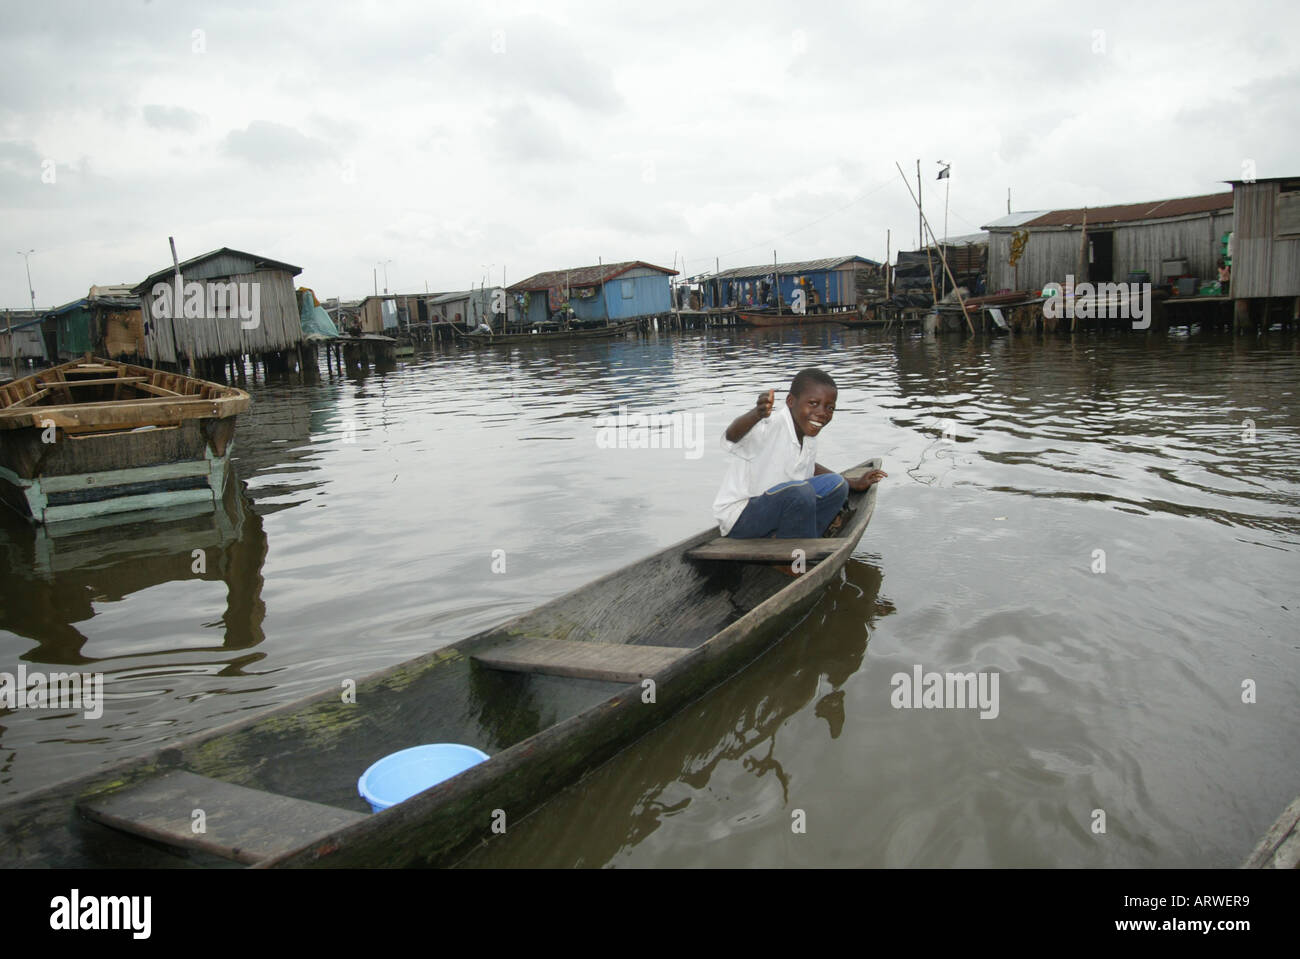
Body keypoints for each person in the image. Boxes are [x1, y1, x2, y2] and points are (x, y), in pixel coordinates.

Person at [713, 368, 887, 539]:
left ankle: (804, 539)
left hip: (776, 510)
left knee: (837, 485)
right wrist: (756, 414)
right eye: (813, 403)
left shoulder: (808, 437)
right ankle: (797, 555)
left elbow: (809, 466)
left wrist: (852, 483)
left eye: (830, 408)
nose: (822, 413)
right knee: (801, 492)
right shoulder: (769, 425)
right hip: (741, 518)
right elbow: (732, 436)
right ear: (790, 401)